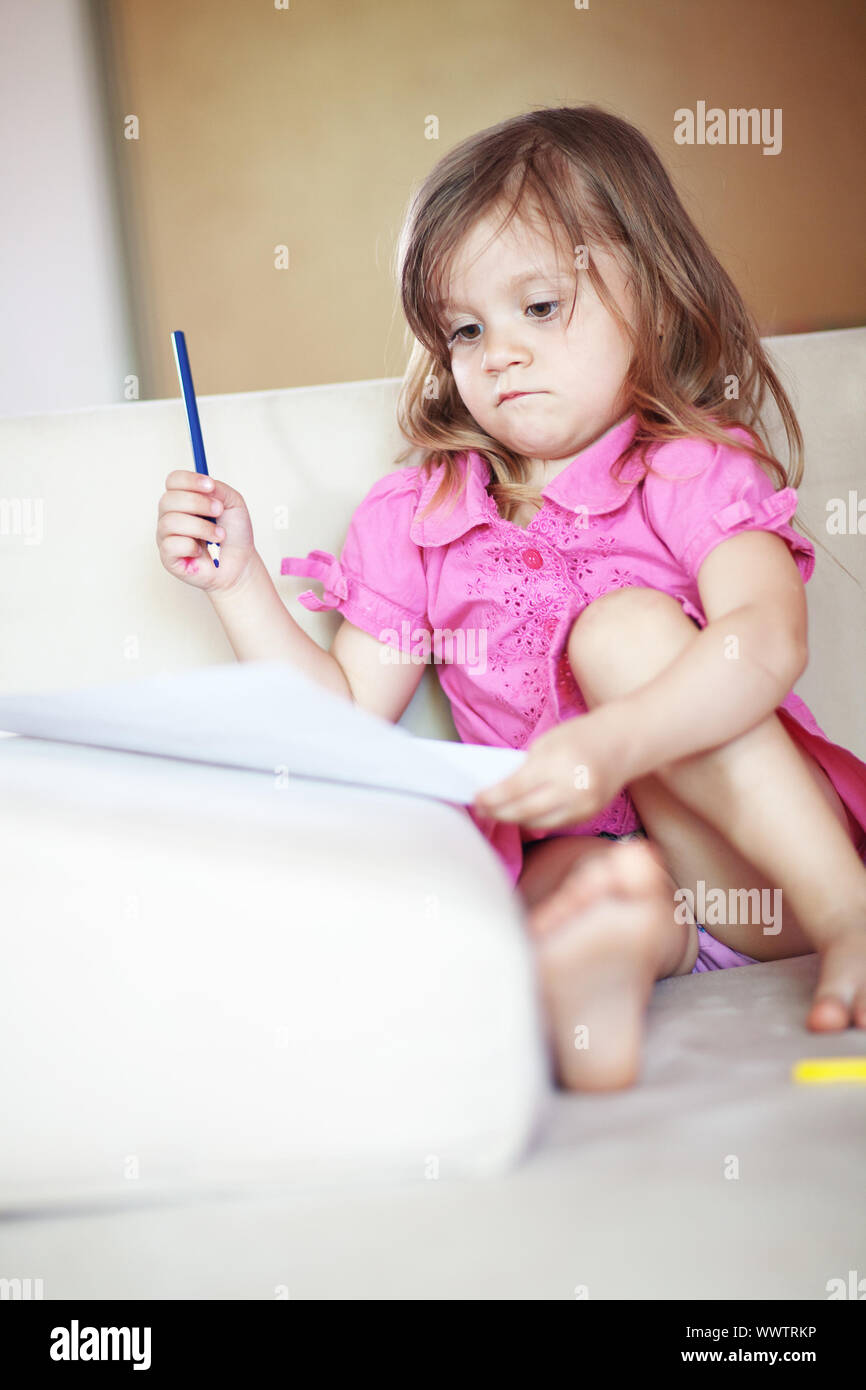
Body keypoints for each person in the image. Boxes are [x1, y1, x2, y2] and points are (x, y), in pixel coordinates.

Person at [156, 105, 866, 1093]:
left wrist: (612, 746)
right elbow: (344, 722)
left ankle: (851, 918)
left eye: (540, 307)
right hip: (608, 868)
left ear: (655, 302)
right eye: (465, 327)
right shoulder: (421, 514)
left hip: (755, 871)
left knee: (618, 632)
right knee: (580, 888)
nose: (499, 352)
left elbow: (765, 641)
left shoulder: (687, 463)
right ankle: (594, 991)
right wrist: (236, 584)